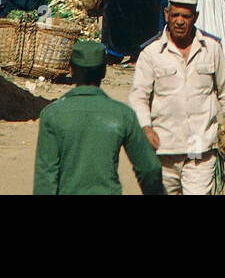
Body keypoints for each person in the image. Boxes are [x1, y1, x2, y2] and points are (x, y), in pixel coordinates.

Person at [129, 0, 225, 195]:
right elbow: (139, 97)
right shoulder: (151, 54)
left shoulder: (212, 49)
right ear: (166, 14)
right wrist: (145, 128)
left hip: (199, 151)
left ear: (195, 17)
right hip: (163, 150)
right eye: (175, 15)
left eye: (186, 17)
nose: (180, 21)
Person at [33, 40, 165, 195]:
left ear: (71, 70)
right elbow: (149, 168)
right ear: (104, 72)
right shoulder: (122, 114)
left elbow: (45, 177)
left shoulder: (52, 115)